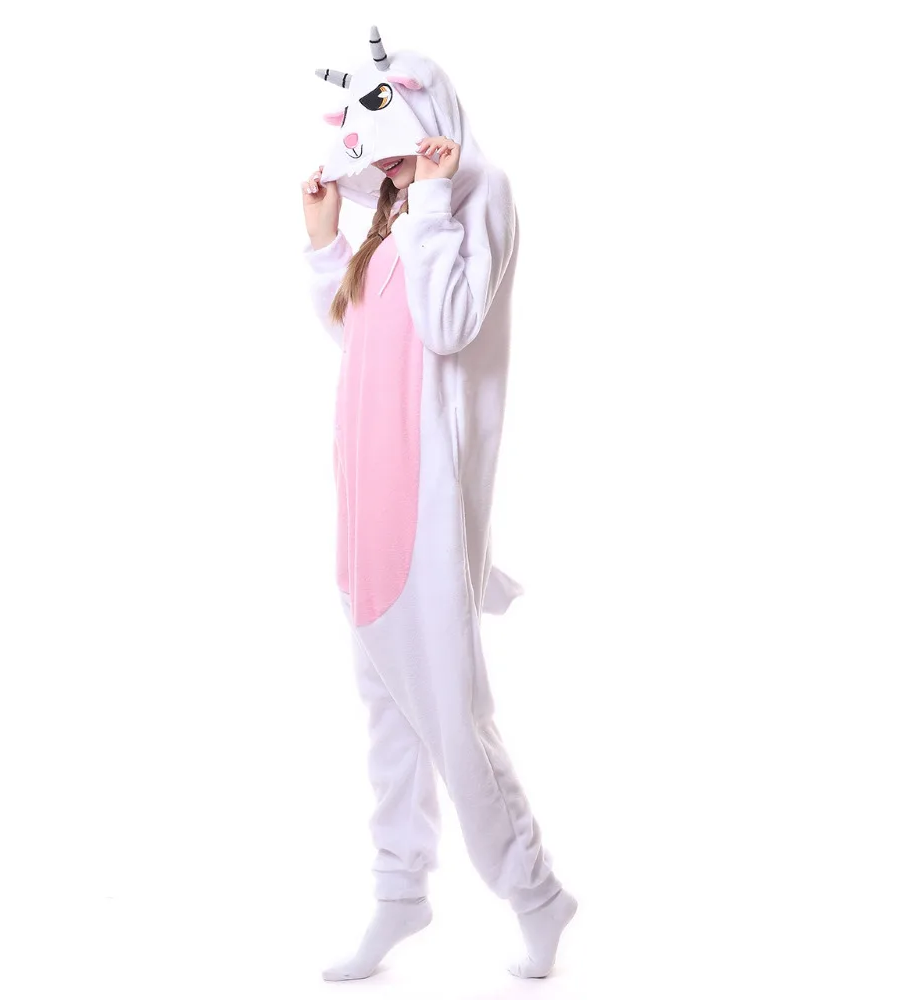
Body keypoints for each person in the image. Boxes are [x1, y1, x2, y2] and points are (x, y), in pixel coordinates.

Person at [300, 27, 577, 983]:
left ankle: (536, 893)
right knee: (388, 714)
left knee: (452, 720)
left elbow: (452, 324)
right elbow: (366, 339)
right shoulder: (392, 212)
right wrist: (327, 244)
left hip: (423, 507)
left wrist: (427, 197)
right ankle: (399, 892)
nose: (381, 164)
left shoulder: (477, 193)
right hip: (364, 502)